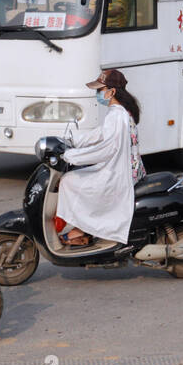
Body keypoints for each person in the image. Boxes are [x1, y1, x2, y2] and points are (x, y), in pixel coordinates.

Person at [57, 69, 144, 247]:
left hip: (120, 174)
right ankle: (83, 229)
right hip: (124, 170)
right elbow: (100, 135)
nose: (98, 94)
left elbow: (107, 149)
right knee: (78, 179)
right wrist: (73, 141)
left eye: (100, 90)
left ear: (111, 92)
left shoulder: (116, 116)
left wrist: (72, 156)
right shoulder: (120, 112)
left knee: (69, 181)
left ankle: (81, 230)